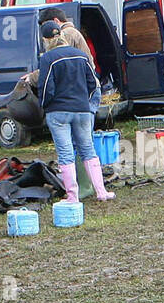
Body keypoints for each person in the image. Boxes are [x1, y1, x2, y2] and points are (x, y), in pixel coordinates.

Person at [37, 21, 110, 203]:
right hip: (82, 110)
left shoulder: (48, 59)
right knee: (88, 150)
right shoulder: (80, 56)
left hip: (59, 112)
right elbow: (93, 83)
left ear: (45, 40)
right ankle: (101, 192)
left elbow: (46, 87)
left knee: (66, 153)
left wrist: (45, 106)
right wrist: (87, 103)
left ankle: (72, 196)